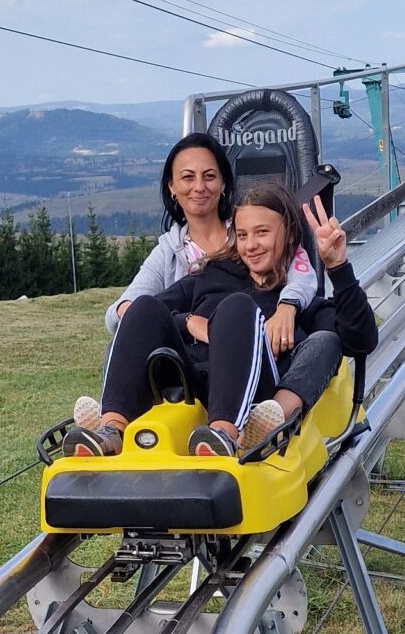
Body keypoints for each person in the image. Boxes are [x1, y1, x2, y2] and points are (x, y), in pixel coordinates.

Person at [60, 181, 377, 461]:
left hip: (255, 394)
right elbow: (149, 319)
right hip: (189, 383)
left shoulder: (297, 303)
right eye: (242, 235)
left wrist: (338, 267)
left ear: (290, 235)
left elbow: (359, 340)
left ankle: (224, 434)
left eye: (262, 232)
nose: (251, 245)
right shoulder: (209, 275)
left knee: (252, 313)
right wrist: (189, 323)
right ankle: (110, 429)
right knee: (141, 307)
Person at [105, 130, 318, 337]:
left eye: (209, 176)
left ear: (223, 183)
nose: (199, 187)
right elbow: (117, 313)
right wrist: (173, 318)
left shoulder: (249, 233)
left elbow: (300, 272)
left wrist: (287, 307)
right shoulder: (167, 254)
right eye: (188, 177)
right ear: (172, 187)